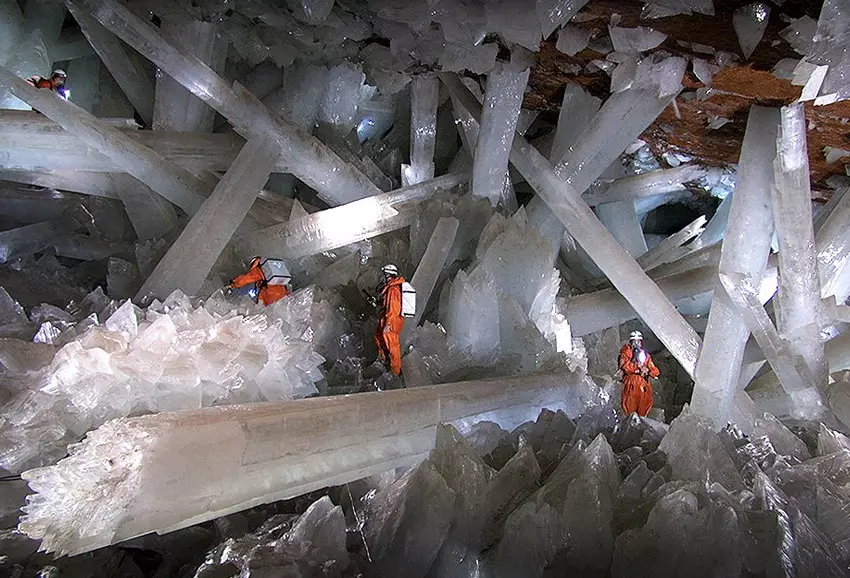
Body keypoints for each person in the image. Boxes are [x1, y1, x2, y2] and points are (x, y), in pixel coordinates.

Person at [374, 263, 406, 376]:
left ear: (389, 275)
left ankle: (395, 371)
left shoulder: (393, 290)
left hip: (392, 321)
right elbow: (386, 305)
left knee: (392, 345)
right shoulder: (389, 289)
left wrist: (388, 323)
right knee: (379, 336)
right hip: (387, 319)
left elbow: (394, 309)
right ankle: (384, 359)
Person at [619, 330, 659, 417]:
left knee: (643, 410)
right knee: (629, 410)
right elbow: (624, 365)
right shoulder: (626, 352)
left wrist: (647, 370)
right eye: (634, 341)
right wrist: (638, 368)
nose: (636, 343)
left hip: (643, 387)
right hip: (631, 384)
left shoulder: (646, 356)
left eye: (638, 341)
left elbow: (655, 371)